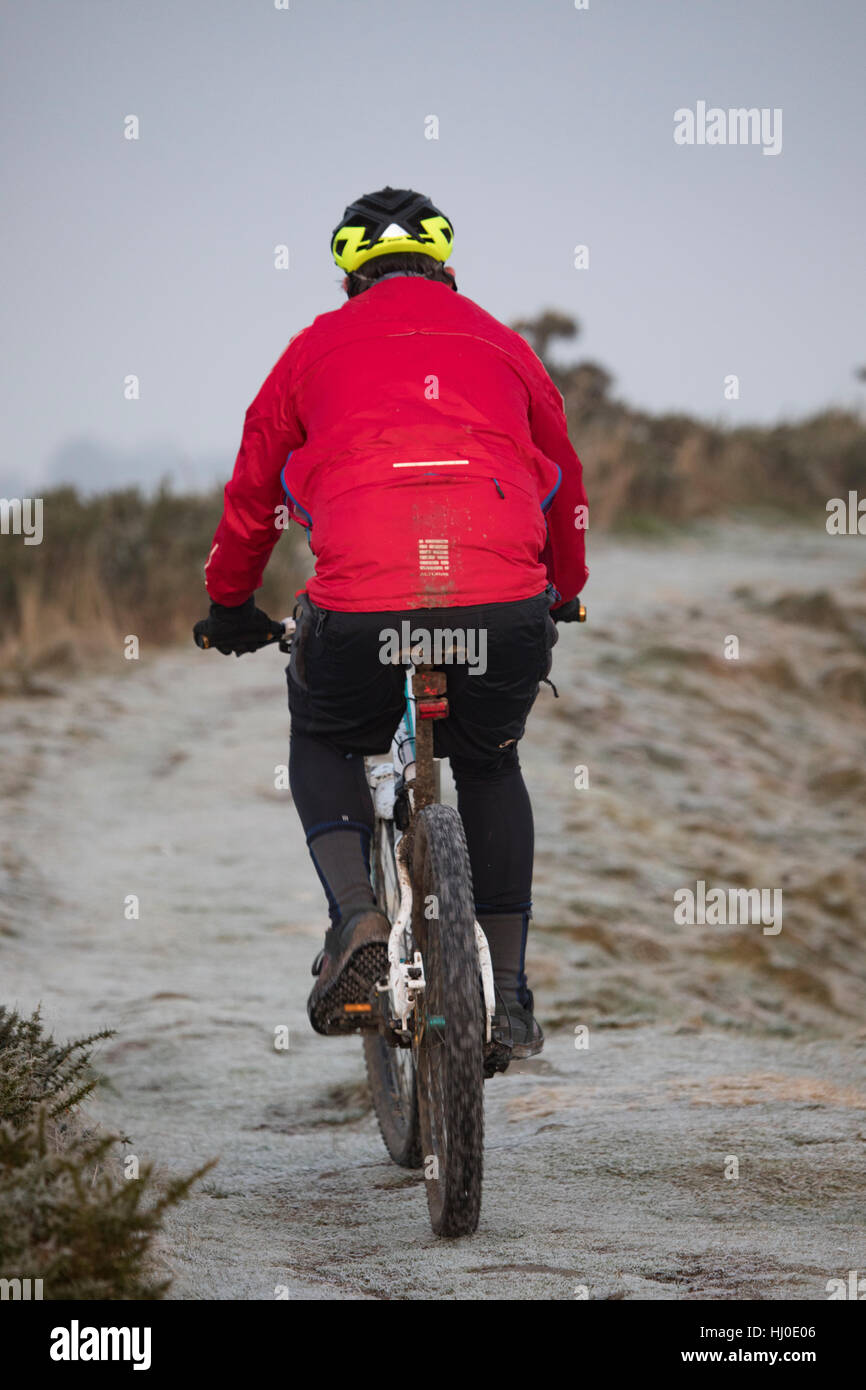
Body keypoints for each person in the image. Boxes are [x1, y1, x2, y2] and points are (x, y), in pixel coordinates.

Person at [194, 186, 588, 1058]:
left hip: (362, 607)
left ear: (348, 271)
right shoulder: (503, 344)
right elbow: (564, 480)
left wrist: (229, 603)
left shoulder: (309, 352)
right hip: (501, 601)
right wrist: (562, 589)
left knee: (328, 737)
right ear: (444, 261)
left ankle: (361, 923)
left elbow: (253, 492)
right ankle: (511, 995)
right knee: (488, 764)